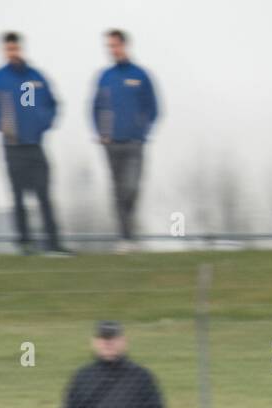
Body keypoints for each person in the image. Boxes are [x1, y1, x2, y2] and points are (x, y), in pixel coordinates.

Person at [0, 32, 69, 255]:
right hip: (12, 148)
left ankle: (53, 243)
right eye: (8, 50)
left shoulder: (36, 76)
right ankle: (24, 242)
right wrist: (0, 123)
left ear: (21, 49)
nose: (13, 53)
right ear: (4, 51)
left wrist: (43, 123)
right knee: (18, 197)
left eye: (15, 48)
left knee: (44, 195)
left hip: (35, 146)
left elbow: (53, 104)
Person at [92, 30, 158, 251]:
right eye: (109, 46)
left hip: (134, 143)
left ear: (125, 46)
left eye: (116, 45)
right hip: (112, 144)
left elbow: (153, 108)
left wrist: (142, 131)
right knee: (118, 191)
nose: (113, 50)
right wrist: (101, 132)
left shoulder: (140, 75)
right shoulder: (104, 77)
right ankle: (125, 238)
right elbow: (95, 108)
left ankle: (130, 230)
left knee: (132, 187)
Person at [61, 321, 164, 408]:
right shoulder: (82, 377)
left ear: (123, 341)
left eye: (113, 338)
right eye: (103, 338)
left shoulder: (141, 377)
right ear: (94, 342)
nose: (108, 343)